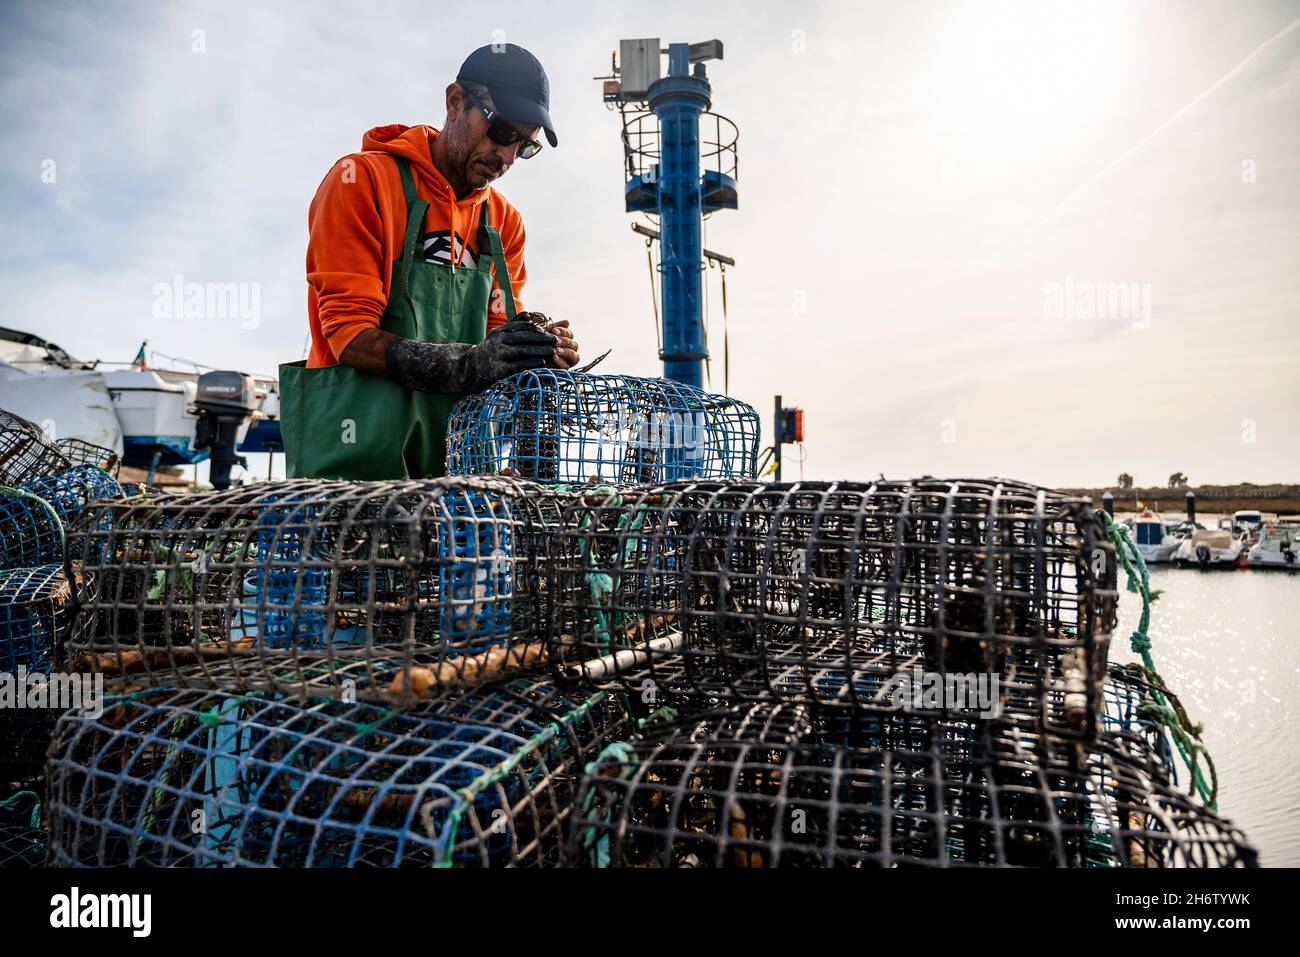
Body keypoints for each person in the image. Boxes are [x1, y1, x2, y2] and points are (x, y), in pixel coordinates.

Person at [280, 43, 578, 479]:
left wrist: (534, 350)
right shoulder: (361, 181)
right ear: (455, 101)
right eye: (502, 133)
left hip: (458, 473)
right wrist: (469, 364)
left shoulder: (505, 224)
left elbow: (495, 348)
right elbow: (349, 336)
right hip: (355, 466)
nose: (508, 157)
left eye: (526, 147)